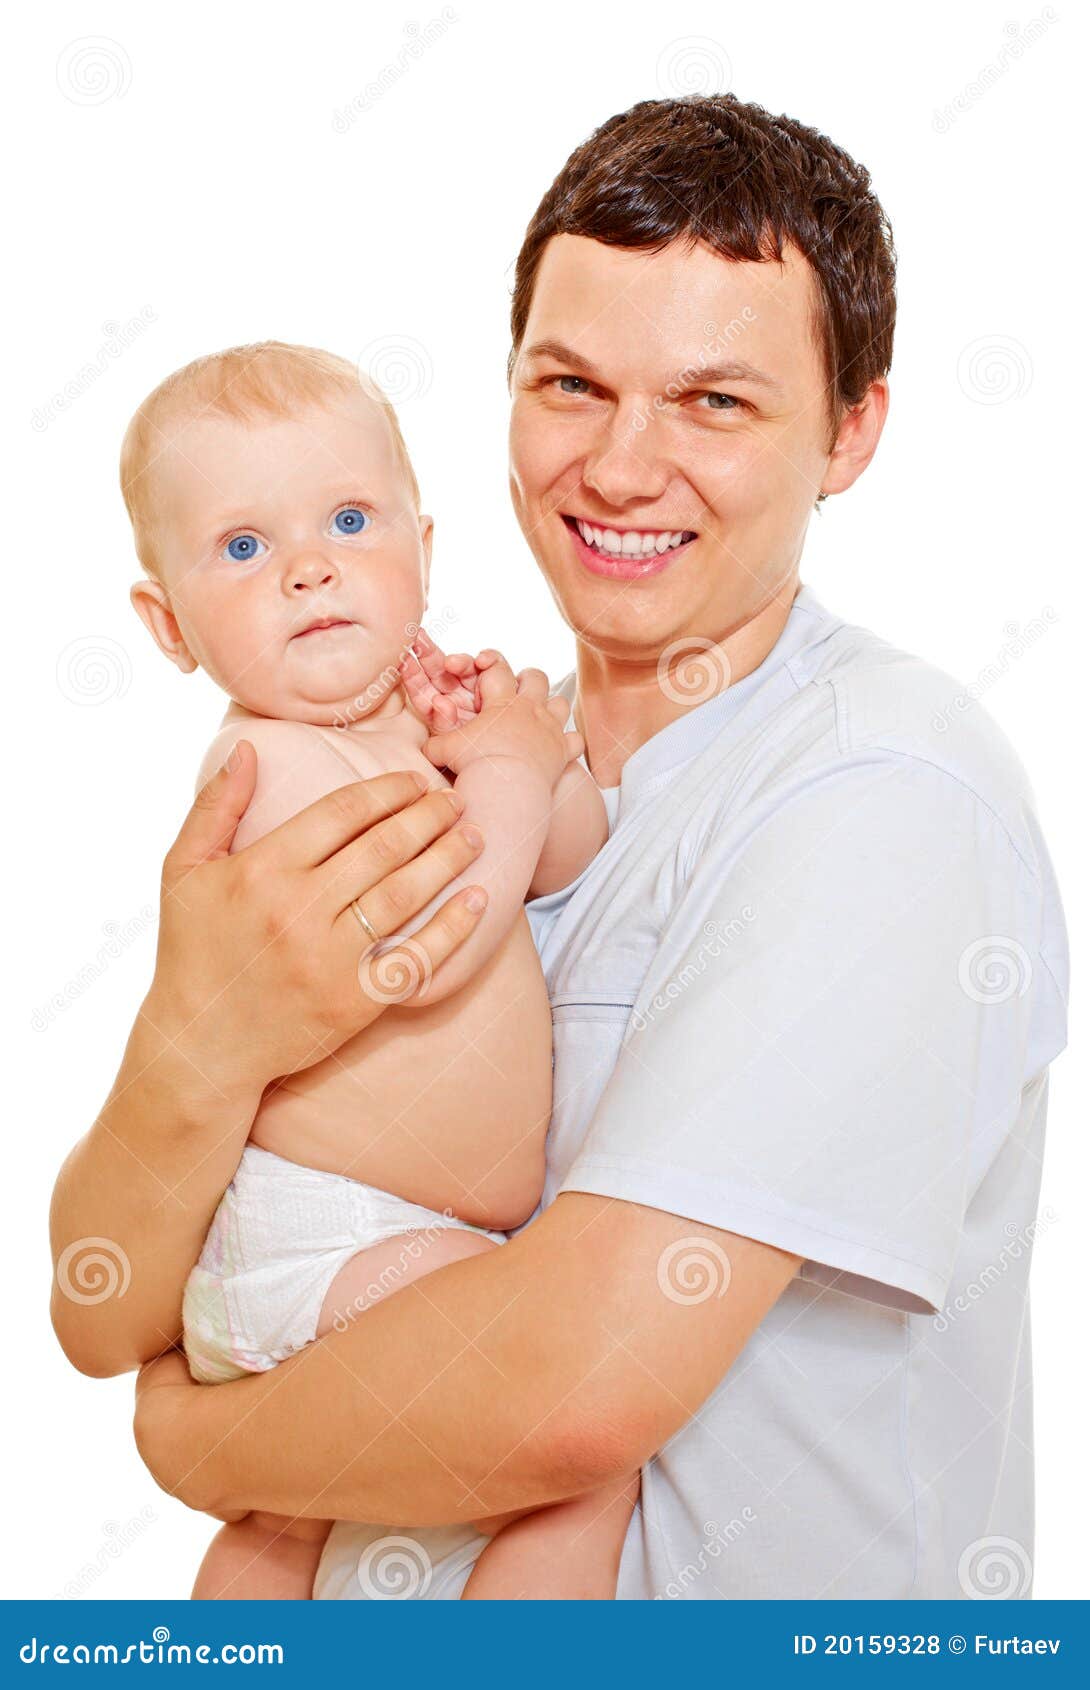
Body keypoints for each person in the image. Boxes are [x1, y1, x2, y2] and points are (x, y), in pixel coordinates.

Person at [50, 94, 1068, 1600]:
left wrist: (201, 1447)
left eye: (714, 402)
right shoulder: (450, 749)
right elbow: (101, 1307)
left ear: (851, 430)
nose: (619, 465)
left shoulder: (877, 787)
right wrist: (198, 1043)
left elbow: (571, 1392)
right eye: (570, 384)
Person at [108, 338, 639, 1599]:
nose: (308, 566)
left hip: (384, 1234)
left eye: (349, 519)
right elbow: (426, 952)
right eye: (243, 547)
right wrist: (504, 780)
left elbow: (570, 863)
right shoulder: (269, 773)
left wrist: (531, 754)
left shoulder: (416, 735)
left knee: (290, 1521)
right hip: (325, 1235)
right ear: (169, 624)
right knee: (574, 1431)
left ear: (423, 549)